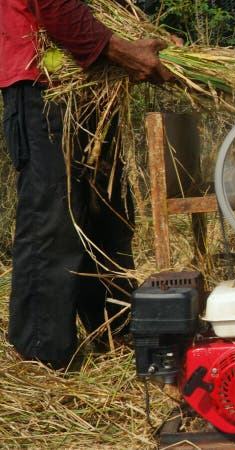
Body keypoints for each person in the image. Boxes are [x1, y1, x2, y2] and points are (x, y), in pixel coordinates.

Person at [1, 0, 174, 369]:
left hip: (89, 83)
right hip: (44, 84)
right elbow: (53, 4)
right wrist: (123, 50)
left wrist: (140, 39)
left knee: (107, 209)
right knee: (55, 217)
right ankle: (39, 352)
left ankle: (113, 330)